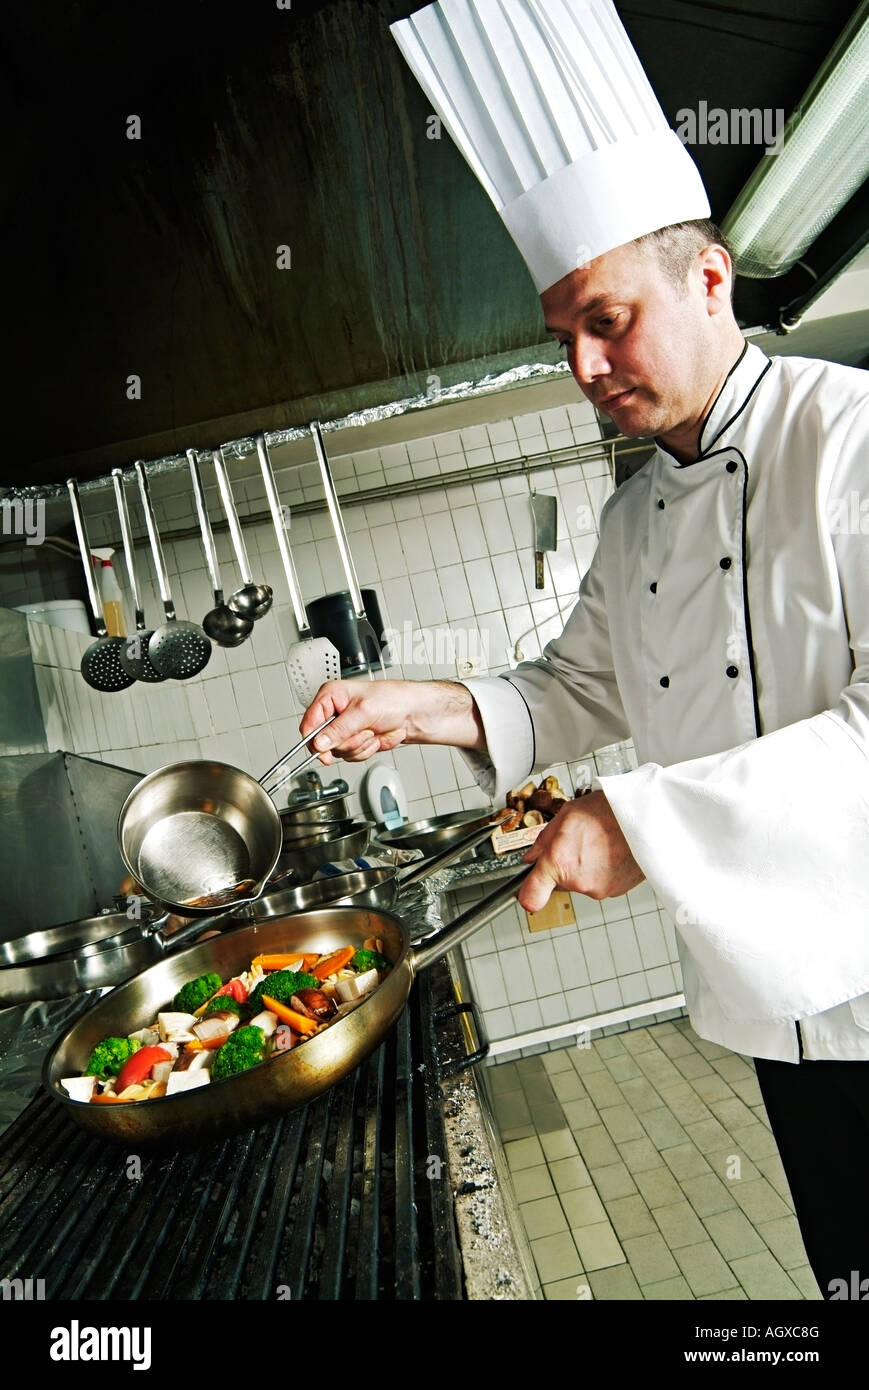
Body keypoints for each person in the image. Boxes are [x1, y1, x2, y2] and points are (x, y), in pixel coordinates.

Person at [298, 1, 869, 1298]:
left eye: (605, 319)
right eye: (561, 333)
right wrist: (423, 708)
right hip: (773, 995)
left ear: (708, 277)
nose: (580, 364)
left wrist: (642, 824)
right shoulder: (634, 514)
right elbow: (577, 689)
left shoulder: (853, 440)